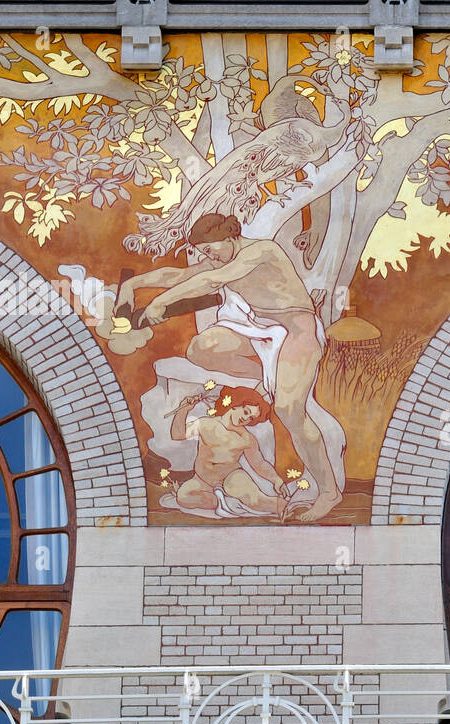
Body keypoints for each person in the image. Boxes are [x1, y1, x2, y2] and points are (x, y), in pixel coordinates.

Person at [116, 213, 344, 521]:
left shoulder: (261, 251)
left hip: (295, 329)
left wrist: (160, 303)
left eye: (212, 250)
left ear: (230, 236)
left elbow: (211, 280)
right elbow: (180, 276)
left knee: (290, 410)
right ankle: (271, 377)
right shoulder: (223, 257)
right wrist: (134, 284)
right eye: (205, 252)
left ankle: (329, 491)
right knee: (201, 348)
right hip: (257, 329)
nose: (209, 257)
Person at [168, 385, 288, 518]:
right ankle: (227, 502)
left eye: (251, 418)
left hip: (231, 478)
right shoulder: (205, 424)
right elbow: (177, 435)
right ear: (236, 404)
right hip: (203, 480)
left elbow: (259, 463)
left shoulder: (246, 438)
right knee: (184, 497)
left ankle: (291, 507)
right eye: (246, 412)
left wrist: (276, 480)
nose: (246, 419)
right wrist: (184, 410)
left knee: (256, 501)